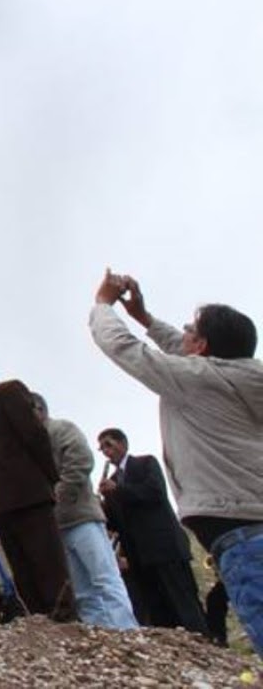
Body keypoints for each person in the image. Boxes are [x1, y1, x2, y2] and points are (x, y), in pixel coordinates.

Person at [91, 270, 263, 651]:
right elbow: (190, 352)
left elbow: (124, 349)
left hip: (242, 537)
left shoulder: (197, 379)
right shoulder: (245, 377)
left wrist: (103, 304)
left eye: (190, 330)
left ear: (202, 346)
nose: (182, 333)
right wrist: (145, 318)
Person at [0, 350, 70, 617]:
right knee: (23, 572)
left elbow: (35, 437)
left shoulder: (7, 392)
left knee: (47, 567)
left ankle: (66, 622)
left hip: (28, 498)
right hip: (1, 508)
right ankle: (42, 624)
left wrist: (50, 482)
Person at [29, 396, 138, 630]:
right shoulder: (33, 443)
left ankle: (127, 633)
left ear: (37, 410)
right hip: (59, 525)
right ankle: (101, 636)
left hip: (82, 518)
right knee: (82, 591)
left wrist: (56, 497)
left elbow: (81, 461)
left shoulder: (61, 429)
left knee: (105, 579)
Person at [95, 427, 205, 634]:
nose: (106, 452)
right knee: (157, 606)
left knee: (182, 599)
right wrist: (102, 509)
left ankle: (202, 641)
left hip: (164, 546)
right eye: (102, 449)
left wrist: (118, 491)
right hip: (139, 554)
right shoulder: (113, 481)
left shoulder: (146, 463)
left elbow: (154, 493)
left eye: (108, 445)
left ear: (123, 444)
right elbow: (117, 523)